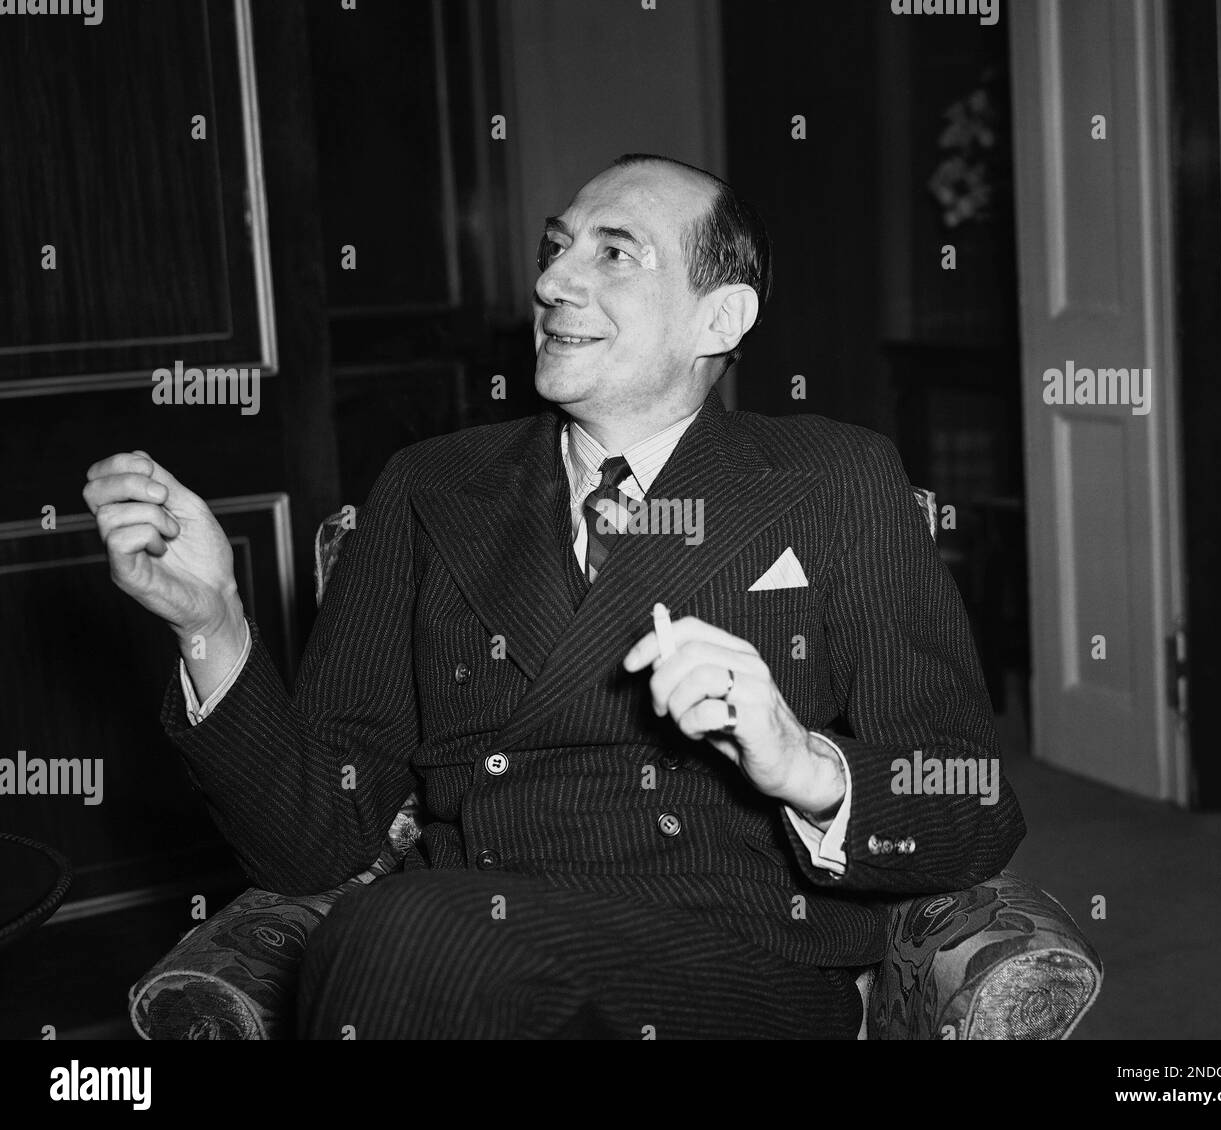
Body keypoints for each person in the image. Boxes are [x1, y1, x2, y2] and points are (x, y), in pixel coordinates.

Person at [84, 154, 1025, 1039]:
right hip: (464, 951)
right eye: (554, 249)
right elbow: (312, 844)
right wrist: (213, 625)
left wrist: (806, 767)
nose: (552, 282)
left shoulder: (833, 477)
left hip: (738, 968)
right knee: (411, 939)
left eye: (613, 253)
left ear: (720, 319)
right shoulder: (428, 486)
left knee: (410, 932)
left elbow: (971, 800)